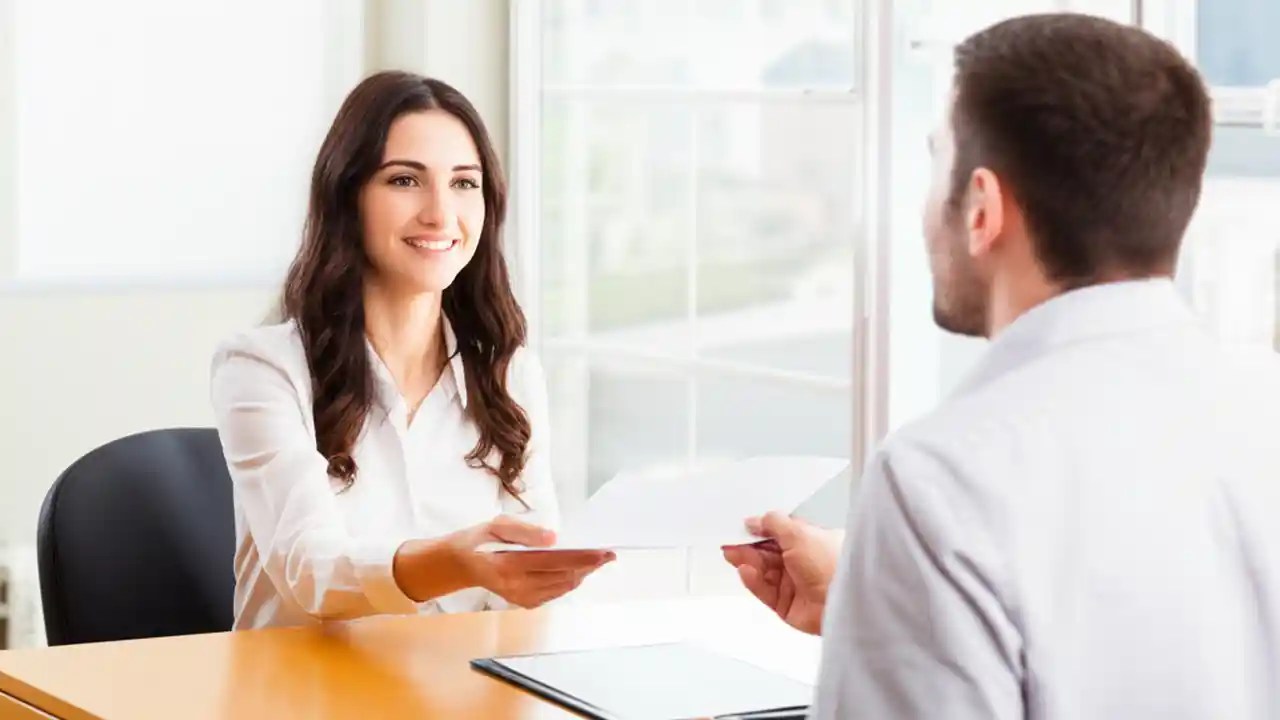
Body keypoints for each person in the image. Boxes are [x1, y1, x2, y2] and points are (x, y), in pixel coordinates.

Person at [725, 13, 1280, 719]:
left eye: (937, 163)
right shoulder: (1266, 406)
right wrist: (878, 611)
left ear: (982, 207)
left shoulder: (943, 481)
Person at [211, 72, 612, 630]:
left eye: (464, 184)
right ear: (346, 196)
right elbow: (312, 572)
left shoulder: (510, 372)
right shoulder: (261, 368)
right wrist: (455, 562)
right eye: (404, 181)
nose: (440, 214)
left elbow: (530, 581)